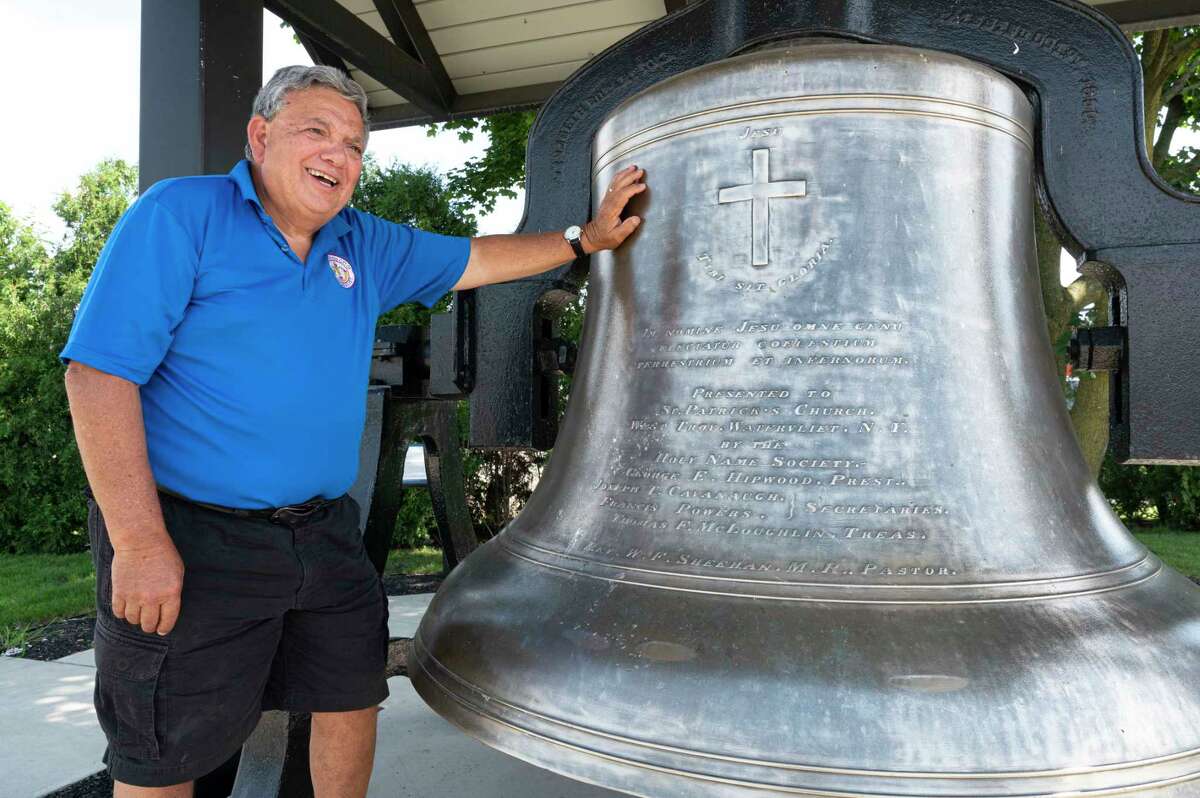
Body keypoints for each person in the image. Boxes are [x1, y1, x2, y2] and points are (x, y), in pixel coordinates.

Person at [61, 65, 646, 798]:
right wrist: (142, 545)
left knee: (350, 695)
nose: (340, 156)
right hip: (192, 535)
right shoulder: (182, 215)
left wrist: (582, 239)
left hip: (323, 535)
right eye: (318, 132)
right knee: (166, 748)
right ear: (260, 135)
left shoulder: (360, 243)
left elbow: (478, 258)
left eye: (356, 145)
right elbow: (97, 376)